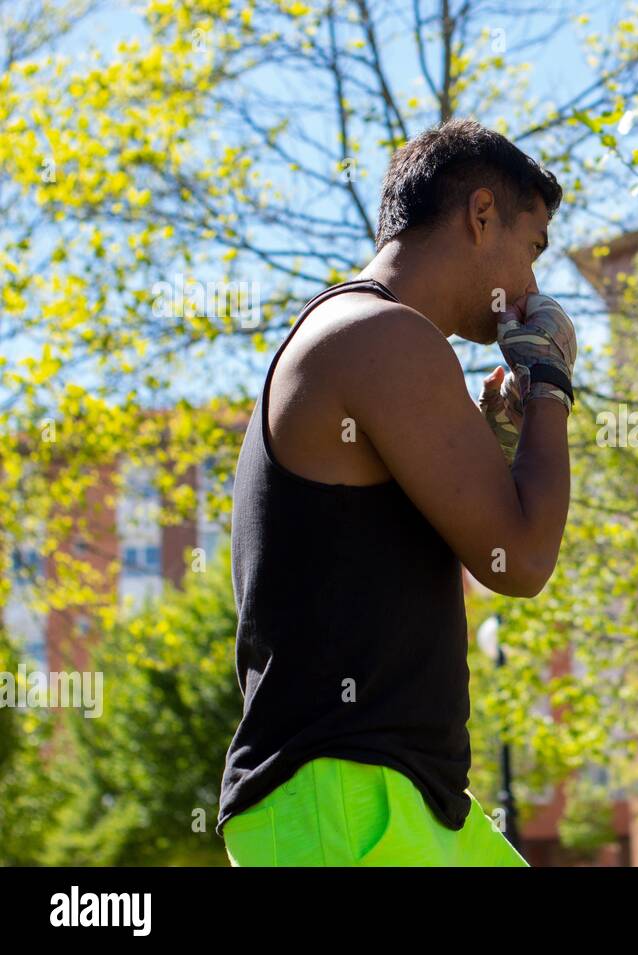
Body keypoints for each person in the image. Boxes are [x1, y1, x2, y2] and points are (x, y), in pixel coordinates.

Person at [217, 118, 575, 866]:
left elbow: (467, 543)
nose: (534, 286)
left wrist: (497, 442)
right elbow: (523, 561)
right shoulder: (381, 335)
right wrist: (550, 385)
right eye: (533, 248)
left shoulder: (366, 336)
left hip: (407, 800)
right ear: (482, 216)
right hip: (343, 800)